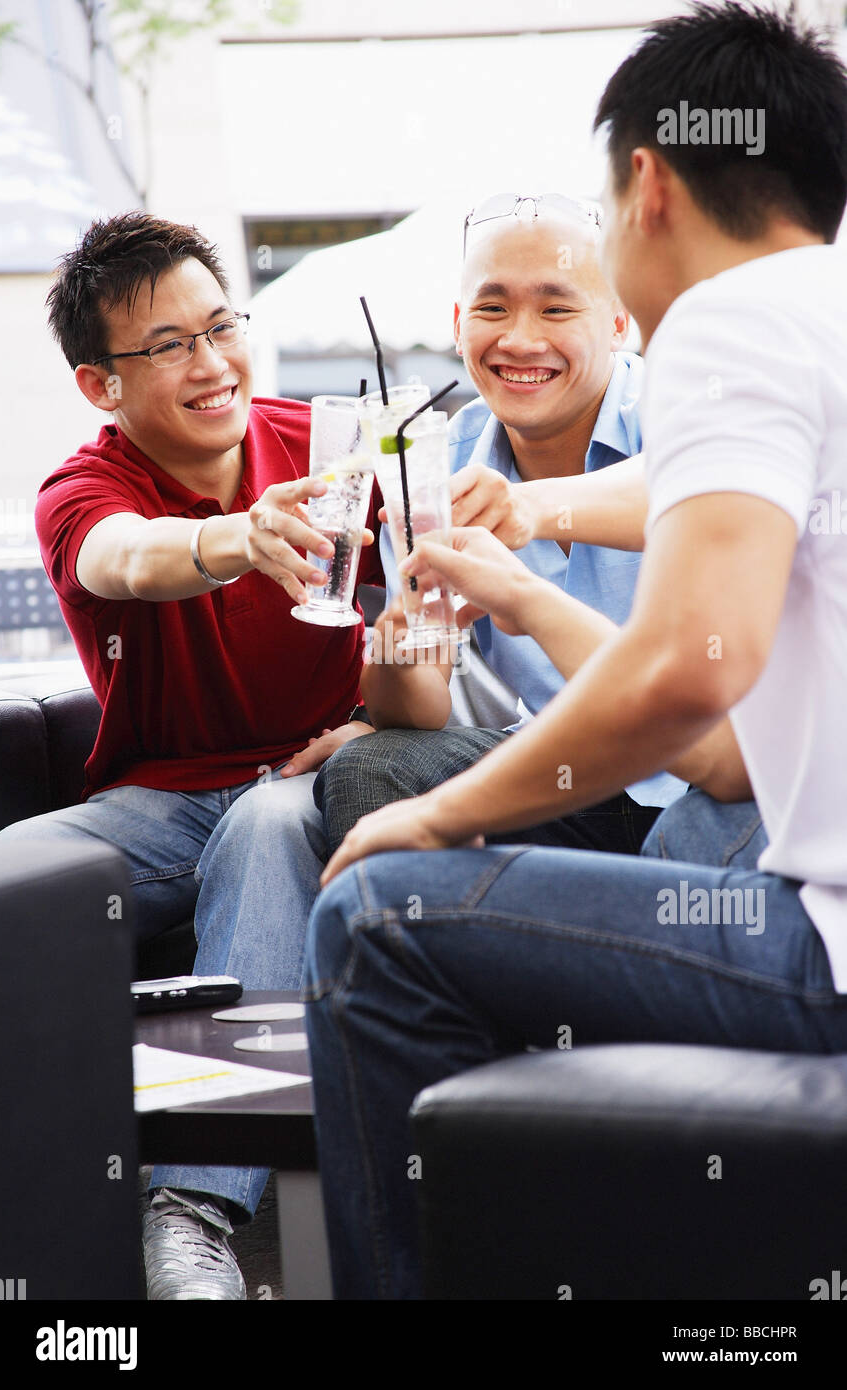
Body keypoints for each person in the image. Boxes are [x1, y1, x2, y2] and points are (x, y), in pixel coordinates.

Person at [302, 0, 847, 1299]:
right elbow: (681, 488)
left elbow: (688, 677)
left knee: (372, 915)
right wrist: (523, 517)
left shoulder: (727, 321)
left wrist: (437, 816)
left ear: (646, 184)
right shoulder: (823, 312)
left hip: (814, 949)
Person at [0, 212, 383, 1298]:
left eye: (220, 327)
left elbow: (447, 609)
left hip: (311, 785)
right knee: (8, 877)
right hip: (157, 804)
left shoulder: (333, 452)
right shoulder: (84, 488)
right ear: (98, 384)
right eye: (167, 347)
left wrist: (385, 724)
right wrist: (236, 539)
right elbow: (124, 559)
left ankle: (192, 1212)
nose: (212, 364)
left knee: (267, 825)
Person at [318, 194, 690, 857]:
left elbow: (692, 488)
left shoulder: (680, 402)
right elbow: (420, 704)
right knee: (369, 770)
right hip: (562, 775)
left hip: (704, 768)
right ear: (459, 325)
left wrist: (529, 507)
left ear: (616, 323)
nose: (519, 338)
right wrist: (399, 649)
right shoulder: (439, 457)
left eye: (555, 307)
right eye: (492, 309)